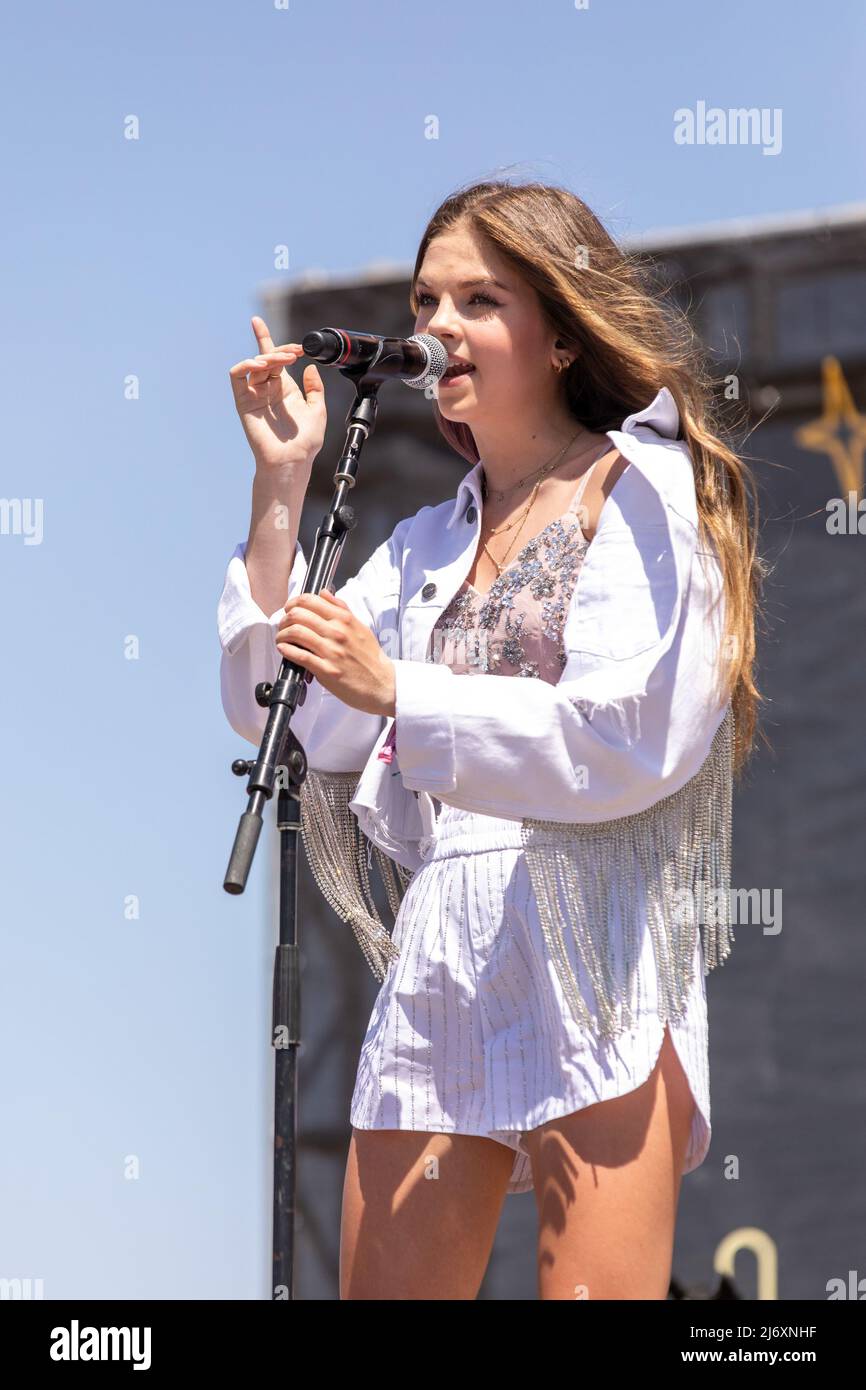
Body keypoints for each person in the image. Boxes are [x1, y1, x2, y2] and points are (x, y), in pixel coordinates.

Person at [217, 179, 767, 1300]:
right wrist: (281, 487)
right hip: (445, 943)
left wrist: (404, 694)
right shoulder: (423, 542)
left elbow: (627, 736)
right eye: (425, 300)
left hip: (594, 936)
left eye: (479, 298)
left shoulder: (647, 491)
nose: (437, 328)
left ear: (561, 333)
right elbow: (277, 701)